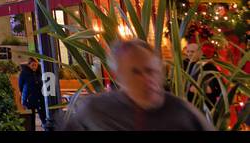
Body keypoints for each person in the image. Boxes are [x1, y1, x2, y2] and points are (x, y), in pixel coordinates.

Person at [63, 40, 211, 131]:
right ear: (119, 77)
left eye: (150, 70)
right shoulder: (95, 111)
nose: (146, 79)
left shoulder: (183, 113)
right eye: (135, 72)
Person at [19, 56, 49, 130]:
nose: (34, 67)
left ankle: (45, 128)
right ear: (29, 65)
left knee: (43, 116)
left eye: (36, 65)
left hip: (40, 98)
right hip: (29, 98)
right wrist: (23, 99)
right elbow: (20, 86)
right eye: (32, 65)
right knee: (30, 119)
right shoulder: (24, 73)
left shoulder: (39, 73)